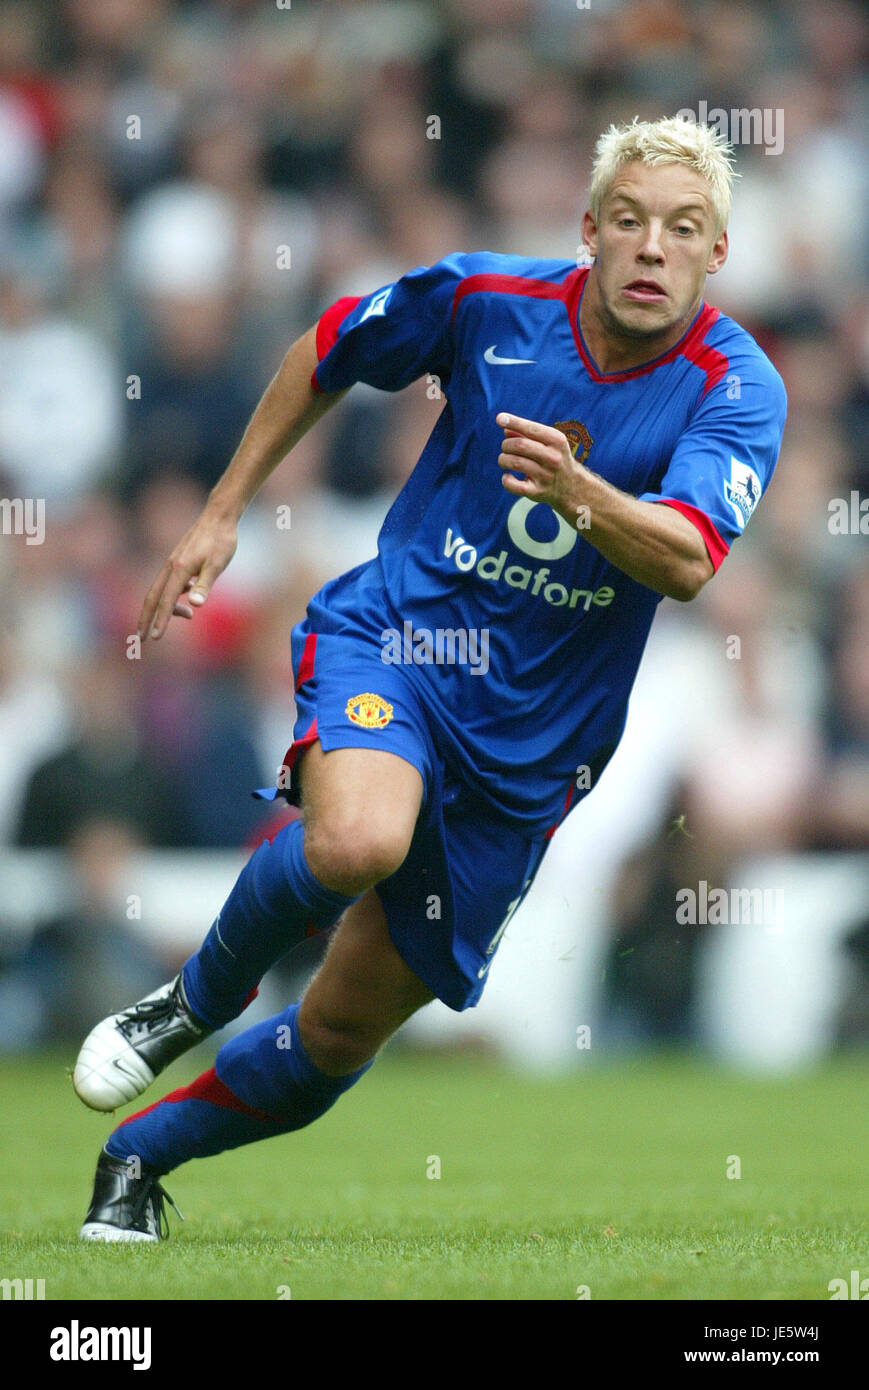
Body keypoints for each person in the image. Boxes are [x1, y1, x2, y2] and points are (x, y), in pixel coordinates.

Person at [73, 117, 787, 1241]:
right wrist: (219, 515)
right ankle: (190, 1001)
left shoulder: (734, 386)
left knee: (338, 1036)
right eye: (633, 222)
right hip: (400, 645)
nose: (654, 247)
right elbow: (325, 346)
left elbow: (689, 558)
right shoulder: (484, 299)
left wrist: (580, 496)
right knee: (360, 837)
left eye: (684, 229)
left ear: (717, 254)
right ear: (589, 230)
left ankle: (137, 1158)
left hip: (532, 750)